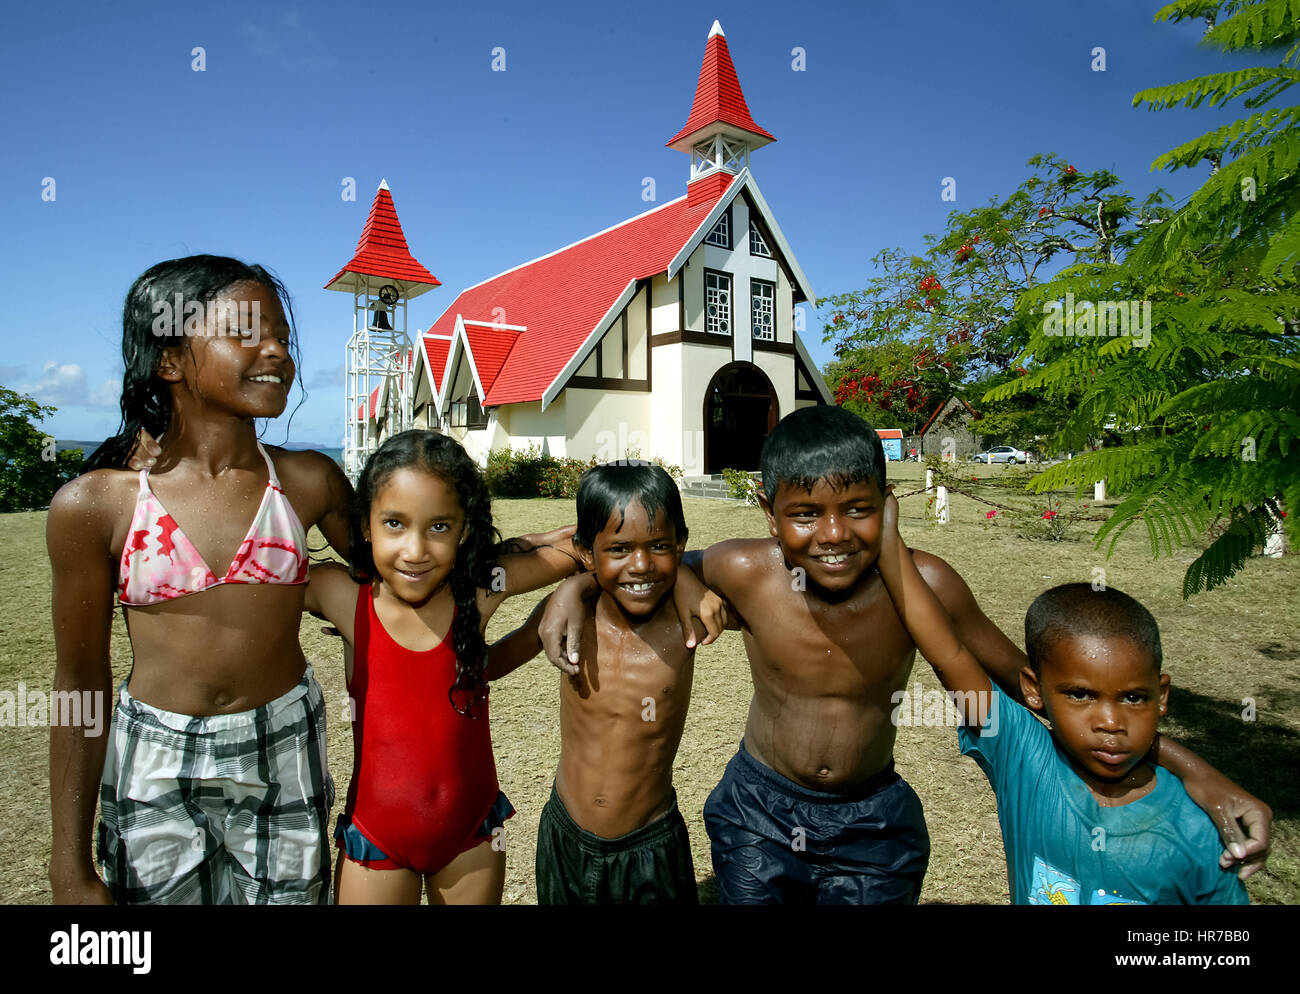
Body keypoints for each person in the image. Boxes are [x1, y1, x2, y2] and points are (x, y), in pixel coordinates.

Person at [538, 405, 1270, 904]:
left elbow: (1042, 693)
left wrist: (1198, 774)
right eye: (803, 514)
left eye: (857, 509)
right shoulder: (742, 569)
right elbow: (633, 561)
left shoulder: (928, 586)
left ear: (888, 500)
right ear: (768, 510)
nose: (832, 535)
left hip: (872, 819)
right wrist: (573, 587)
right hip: (758, 809)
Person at [48, 255, 354, 904]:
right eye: (246, 330)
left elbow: (403, 590)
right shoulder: (98, 505)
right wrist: (68, 867)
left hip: (283, 749)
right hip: (152, 764)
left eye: (283, 335)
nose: (275, 348)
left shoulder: (306, 483)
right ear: (170, 360)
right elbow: (79, 681)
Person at [303, 439, 722, 904]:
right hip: (375, 840)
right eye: (394, 524)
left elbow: (591, 552)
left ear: (465, 531)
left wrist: (675, 576)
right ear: (365, 525)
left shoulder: (480, 589)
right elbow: (255, 571)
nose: (415, 550)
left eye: (439, 525)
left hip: (472, 839)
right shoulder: (342, 597)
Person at [873, 511, 1249, 904]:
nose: (1110, 722)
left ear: (1163, 696)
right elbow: (947, 653)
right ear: (1033, 691)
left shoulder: (1199, 831)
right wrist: (887, 538)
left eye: (1134, 698)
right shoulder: (1023, 758)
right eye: (1081, 695)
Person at [490, 463, 702, 905]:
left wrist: (685, 575)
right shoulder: (567, 613)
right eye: (620, 548)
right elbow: (491, 664)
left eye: (659, 546)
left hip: (651, 843)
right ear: (587, 553)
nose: (641, 565)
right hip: (567, 835)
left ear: (680, 543)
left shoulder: (691, 614)